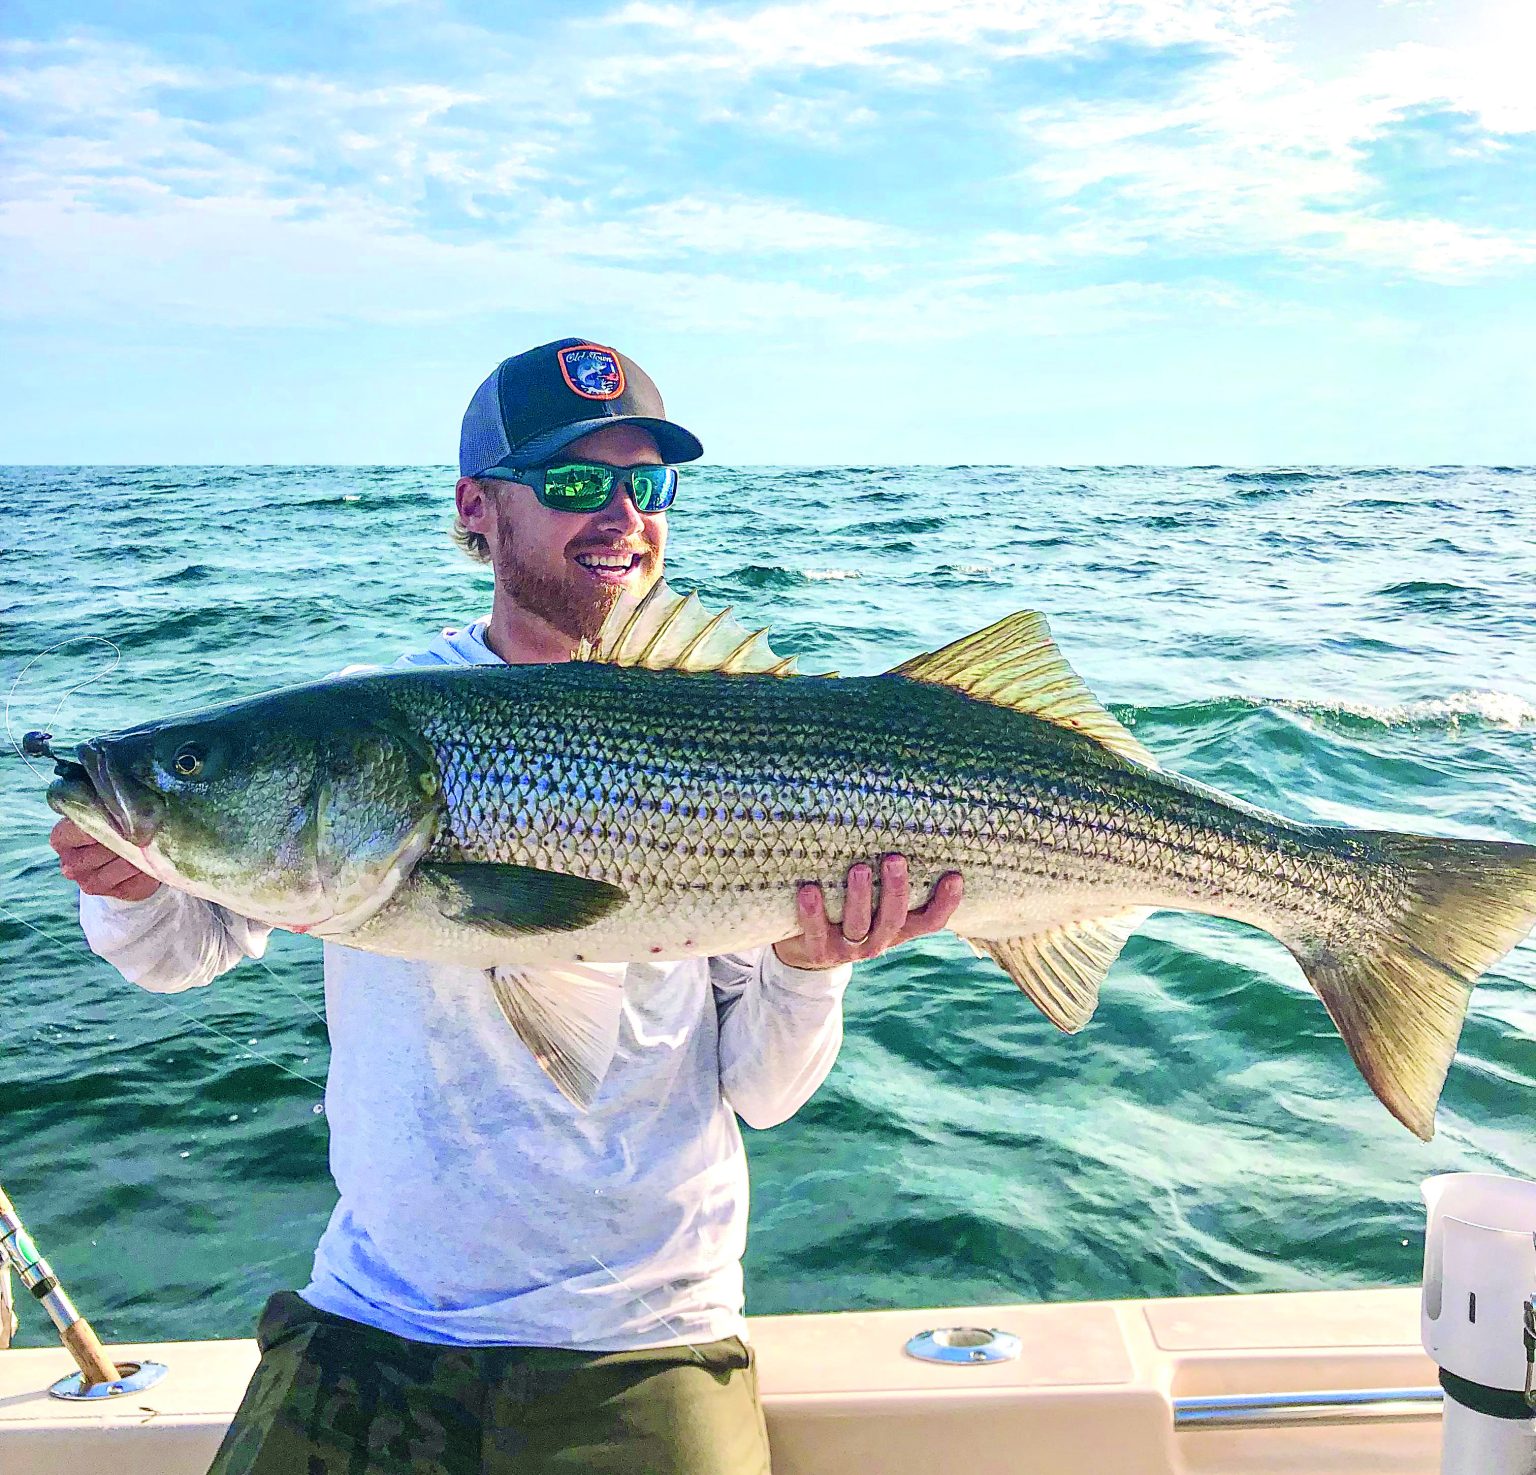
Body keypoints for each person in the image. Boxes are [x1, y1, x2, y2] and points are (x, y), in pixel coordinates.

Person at [49, 338, 964, 1475]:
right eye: (577, 482)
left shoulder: (742, 732)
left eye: (647, 483)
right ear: (478, 510)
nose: (621, 512)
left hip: (646, 1335)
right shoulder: (359, 721)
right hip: (374, 1312)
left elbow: (765, 1095)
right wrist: (133, 876)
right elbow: (177, 951)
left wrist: (812, 964)